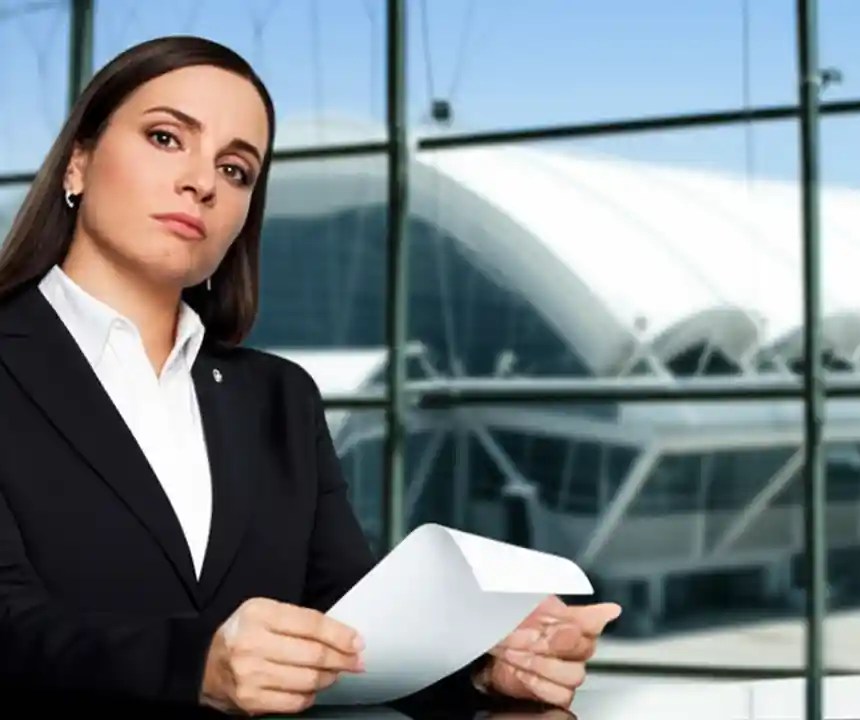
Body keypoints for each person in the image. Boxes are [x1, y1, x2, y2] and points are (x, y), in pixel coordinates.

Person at [0, 35, 620, 716]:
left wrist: (483, 658)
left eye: (236, 170)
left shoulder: (277, 397)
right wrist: (196, 664)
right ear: (79, 162)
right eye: (166, 138)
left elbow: (349, 621)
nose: (202, 182)